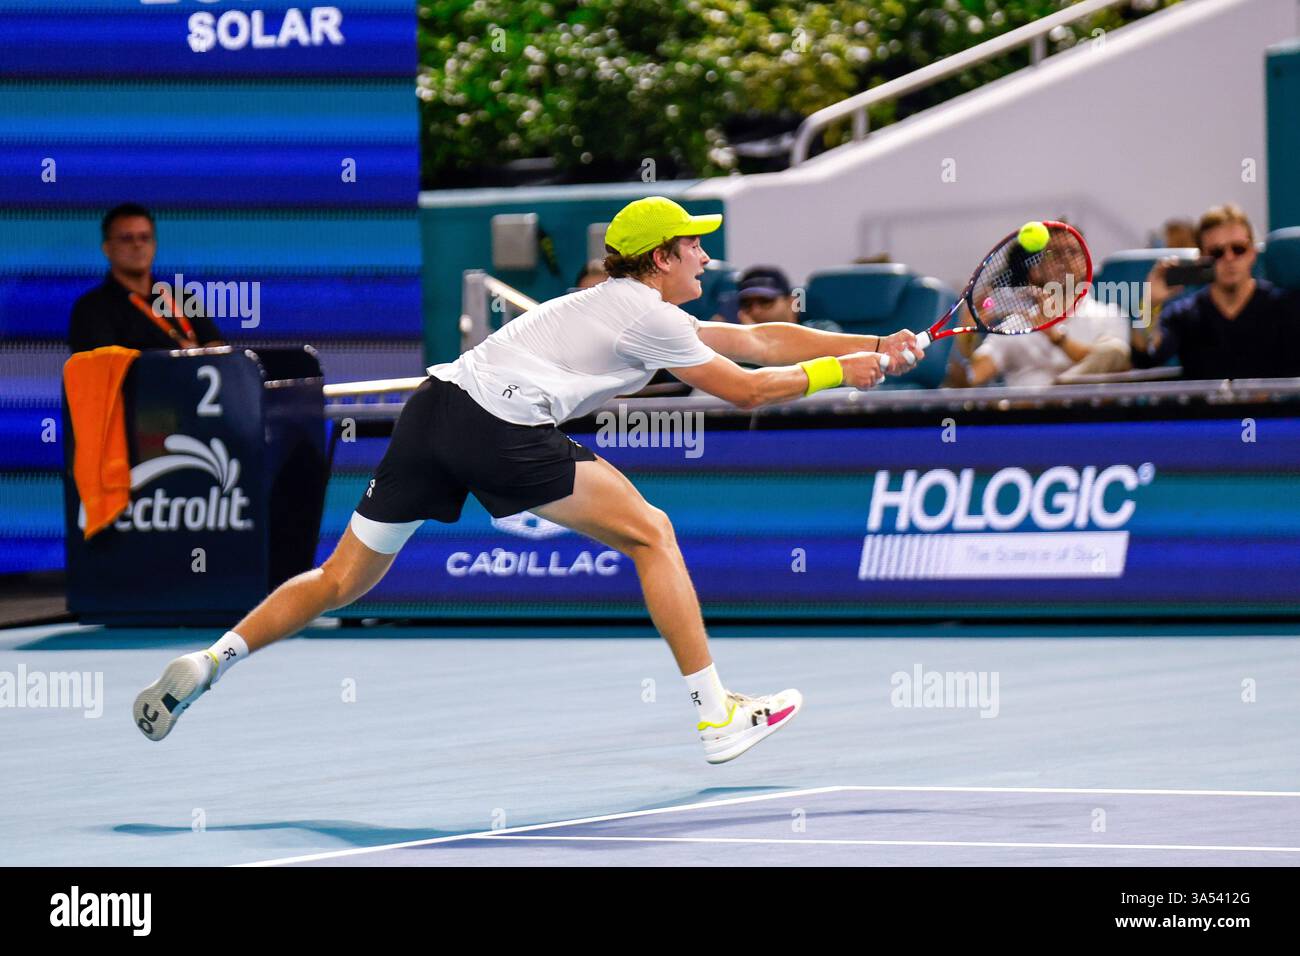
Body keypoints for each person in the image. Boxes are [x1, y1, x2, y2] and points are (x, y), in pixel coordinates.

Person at [133, 196, 924, 765]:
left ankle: (214, 659)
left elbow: (755, 339)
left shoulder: (621, 303)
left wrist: (871, 341)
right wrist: (840, 372)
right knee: (653, 533)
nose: (707, 257)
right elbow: (747, 387)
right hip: (499, 425)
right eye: (694, 246)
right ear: (661, 259)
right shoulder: (650, 315)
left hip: (432, 411)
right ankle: (716, 717)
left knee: (342, 578)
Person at [1132, 203, 1300, 380]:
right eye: (1217, 252)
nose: (1229, 258)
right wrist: (1150, 304)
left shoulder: (1286, 308)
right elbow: (1145, 357)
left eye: (1238, 249)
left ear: (1253, 252)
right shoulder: (1185, 315)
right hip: (1205, 407)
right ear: (1202, 259)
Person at [949, 227, 1129, 387]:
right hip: (1026, 421)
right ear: (1036, 269)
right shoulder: (1015, 325)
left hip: (1085, 418)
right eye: (1054, 253)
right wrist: (966, 338)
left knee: (1114, 350)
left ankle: (1052, 394)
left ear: (1086, 263)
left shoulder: (1110, 314)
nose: (1064, 259)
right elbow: (972, 377)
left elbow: (1117, 364)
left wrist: (1055, 336)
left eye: (1072, 252)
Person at [68, 204, 224, 353]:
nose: (137, 244)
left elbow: (217, 347)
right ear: (107, 248)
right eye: (127, 238)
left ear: (154, 245)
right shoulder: (92, 308)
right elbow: (103, 368)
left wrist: (211, 353)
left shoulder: (182, 297)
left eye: (144, 237)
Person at [730, 265, 843, 333]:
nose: (755, 311)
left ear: (791, 302)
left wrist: (758, 338)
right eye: (746, 304)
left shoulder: (822, 330)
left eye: (765, 301)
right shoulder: (738, 344)